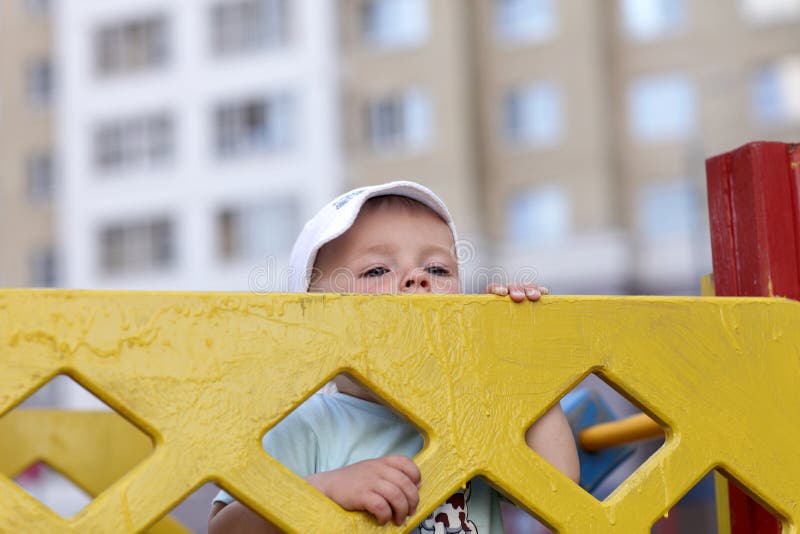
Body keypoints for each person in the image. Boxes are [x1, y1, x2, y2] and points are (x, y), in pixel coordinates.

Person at [208, 181, 579, 533]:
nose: (417, 278)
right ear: (316, 323)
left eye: (437, 269)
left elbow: (560, 486)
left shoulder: (476, 411)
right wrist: (324, 490)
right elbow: (224, 527)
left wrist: (517, 356)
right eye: (377, 270)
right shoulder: (306, 423)